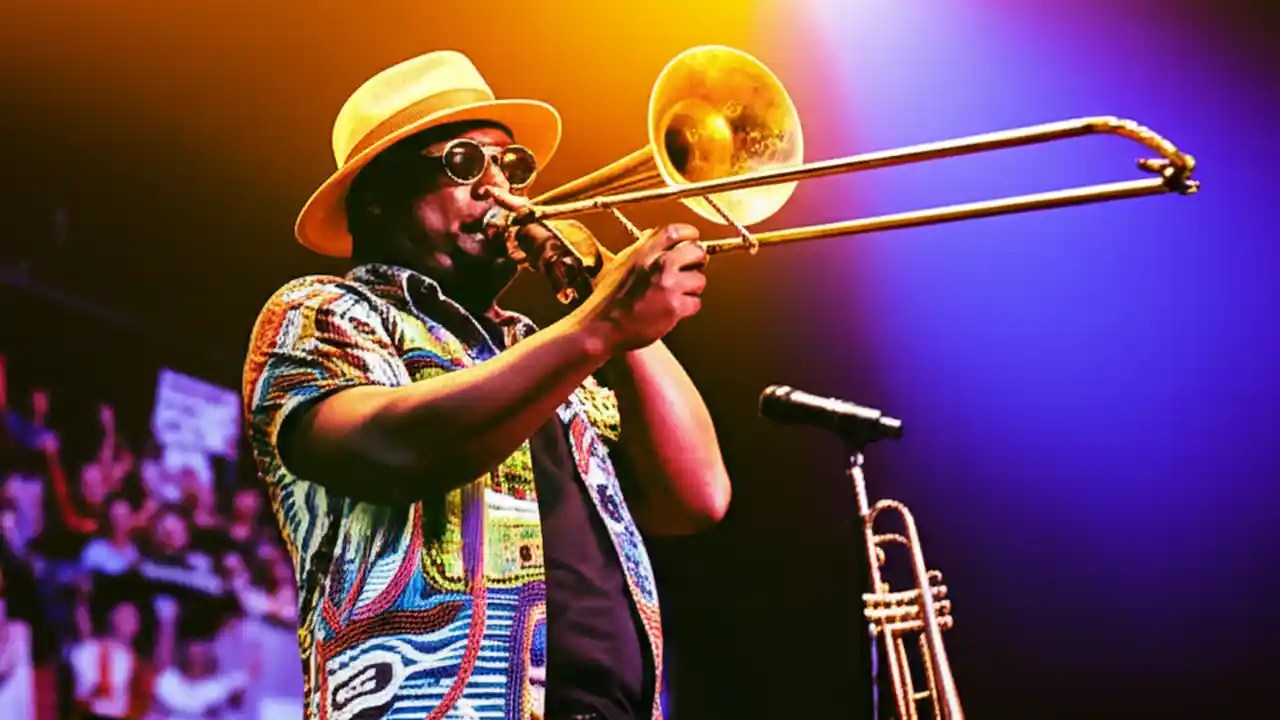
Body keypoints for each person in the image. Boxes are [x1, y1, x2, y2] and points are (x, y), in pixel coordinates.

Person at [241, 50, 731, 720]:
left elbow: (695, 495)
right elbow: (394, 449)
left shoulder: (543, 350)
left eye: (512, 165)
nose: (502, 190)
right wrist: (597, 327)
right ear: (378, 199)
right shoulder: (321, 312)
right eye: (465, 164)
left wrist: (607, 304)